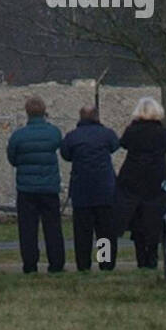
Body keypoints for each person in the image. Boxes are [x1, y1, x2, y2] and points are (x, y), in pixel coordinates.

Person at [6, 96, 65, 274]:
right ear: (44, 111)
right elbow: (59, 147)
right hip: (49, 187)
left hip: (26, 187)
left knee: (27, 229)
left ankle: (30, 264)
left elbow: (12, 158)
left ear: (27, 113)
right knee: (53, 227)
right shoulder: (54, 132)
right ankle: (56, 263)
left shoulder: (18, 135)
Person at [61, 105, 121, 272]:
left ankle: (84, 264)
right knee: (105, 232)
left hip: (81, 190)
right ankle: (105, 263)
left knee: (82, 233)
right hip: (105, 190)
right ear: (97, 117)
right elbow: (115, 145)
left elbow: (65, 154)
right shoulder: (107, 134)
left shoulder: (72, 136)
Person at [115, 97, 166, 269]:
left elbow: (122, 144)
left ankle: (140, 257)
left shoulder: (132, 130)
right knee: (154, 218)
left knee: (137, 219)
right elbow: (165, 148)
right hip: (155, 177)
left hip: (133, 177)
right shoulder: (162, 132)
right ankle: (152, 256)